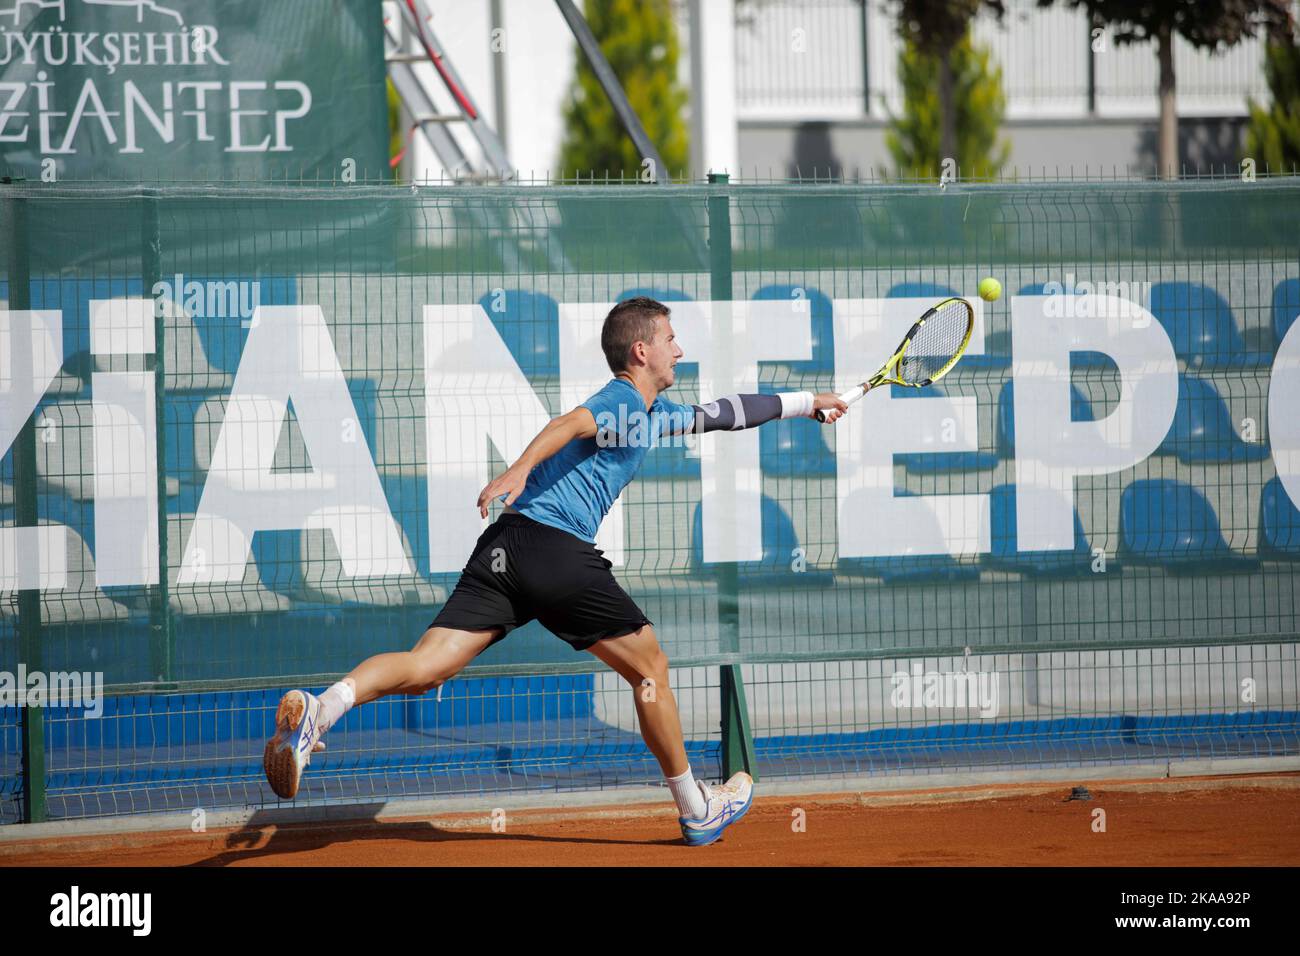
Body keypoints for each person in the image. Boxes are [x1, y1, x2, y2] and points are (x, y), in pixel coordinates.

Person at [264, 296, 849, 846]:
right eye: (671, 339)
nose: (681, 350)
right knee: (651, 668)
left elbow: (725, 414)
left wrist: (808, 401)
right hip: (553, 547)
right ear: (640, 351)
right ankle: (697, 809)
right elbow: (571, 423)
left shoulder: (650, 415)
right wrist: (518, 468)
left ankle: (323, 710)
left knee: (424, 667)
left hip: (504, 548)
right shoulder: (621, 399)